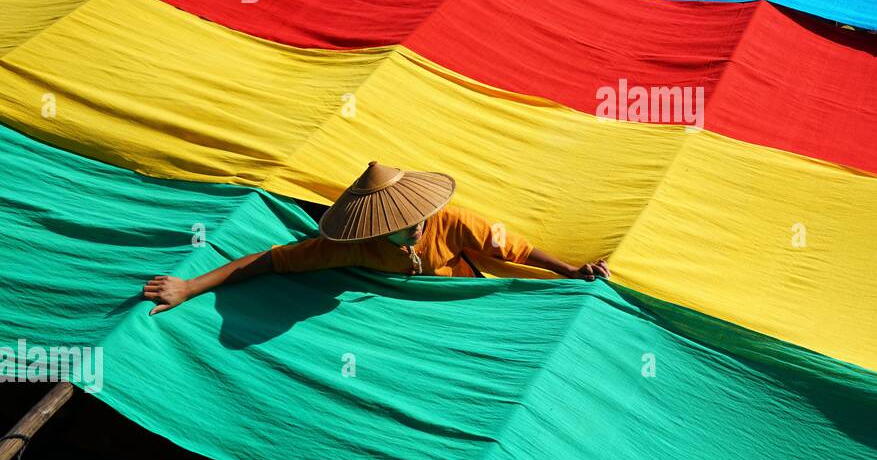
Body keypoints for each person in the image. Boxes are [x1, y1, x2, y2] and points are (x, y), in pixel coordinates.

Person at [143, 161, 609, 315]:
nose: (414, 230)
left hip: (467, 301)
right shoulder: (347, 246)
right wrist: (189, 287)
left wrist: (569, 270)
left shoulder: (454, 222)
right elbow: (269, 261)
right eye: (400, 227)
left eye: (416, 221)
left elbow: (514, 248)